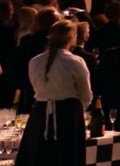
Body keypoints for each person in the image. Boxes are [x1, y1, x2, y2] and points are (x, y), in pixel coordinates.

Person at [27, 20, 93, 166]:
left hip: (41, 111)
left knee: (41, 155)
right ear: (72, 37)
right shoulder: (75, 61)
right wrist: (80, 108)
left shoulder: (35, 61)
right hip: (68, 113)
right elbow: (86, 94)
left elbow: (36, 88)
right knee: (68, 156)